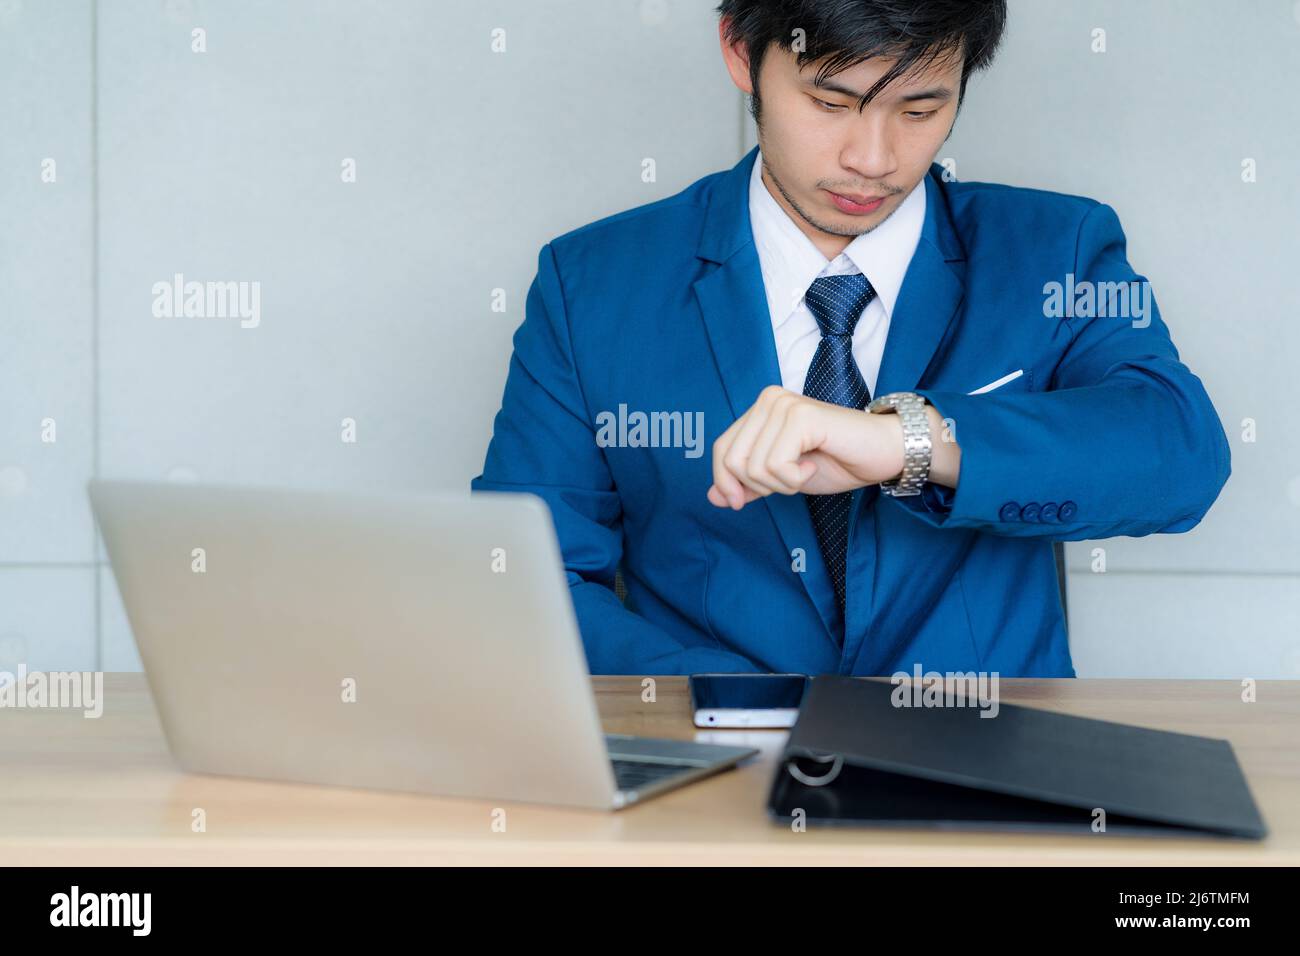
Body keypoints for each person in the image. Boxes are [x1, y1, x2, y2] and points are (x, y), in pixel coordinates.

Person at [472, 0, 1230, 677]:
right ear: (740, 51)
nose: (872, 159)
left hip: (989, 778)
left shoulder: (1053, 249)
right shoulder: (593, 283)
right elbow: (529, 575)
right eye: (830, 102)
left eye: (920, 110)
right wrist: (732, 705)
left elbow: (1180, 454)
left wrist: (911, 442)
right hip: (710, 779)